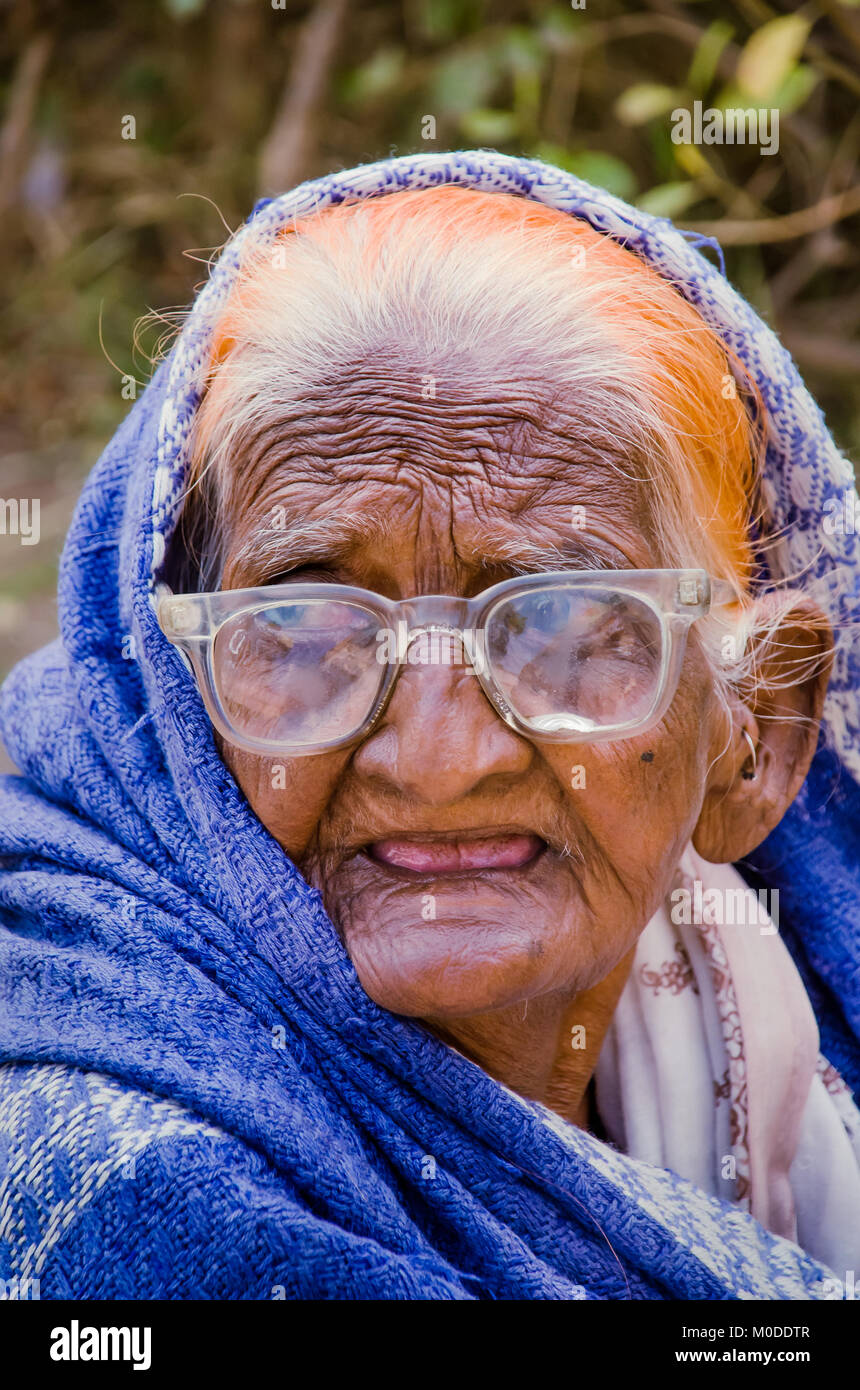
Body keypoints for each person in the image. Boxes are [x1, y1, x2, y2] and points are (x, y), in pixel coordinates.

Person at [0, 151, 858, 1301]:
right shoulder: (122, 1185)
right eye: (303, 623)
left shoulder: (778, 1039)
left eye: (563, 621)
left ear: (754, 728)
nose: (439, 761)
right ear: (172, 693)